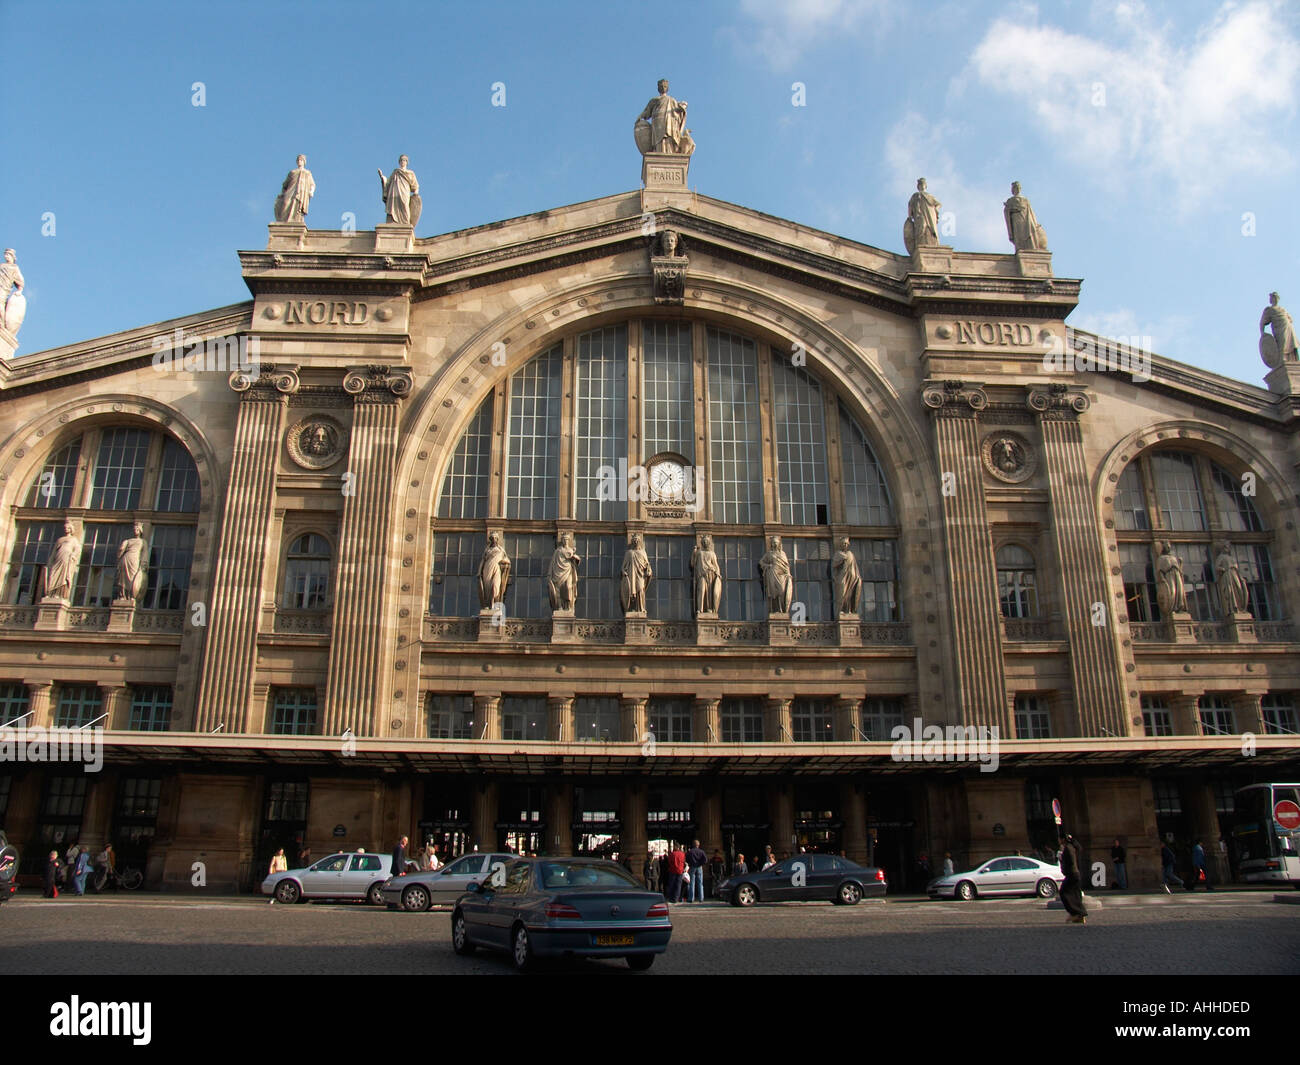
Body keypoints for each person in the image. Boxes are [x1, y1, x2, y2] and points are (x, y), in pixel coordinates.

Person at [1057, 833, 1087, 924]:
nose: (1058, 841)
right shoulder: (1071, 847)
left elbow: (1070, 861)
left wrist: (1062, 861)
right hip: (1075, 873)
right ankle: (1080, 915)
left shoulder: (1068, 848)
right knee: (1076, 894)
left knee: (1064, 892)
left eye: (1059, 839)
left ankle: (1076, 913)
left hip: (1072, 874)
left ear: (1062, 840)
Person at [685, 839, 707, 903]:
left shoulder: (690, 852)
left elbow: (686, 859)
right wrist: (700, 863)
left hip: (692, 867)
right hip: (699, 867)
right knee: (700, 883)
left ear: (693, 845)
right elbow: (705, 860)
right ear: (698, 845)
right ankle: (701, 898)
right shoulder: (701, 851)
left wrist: (690, 863)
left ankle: (691, 898)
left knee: (691, 883)